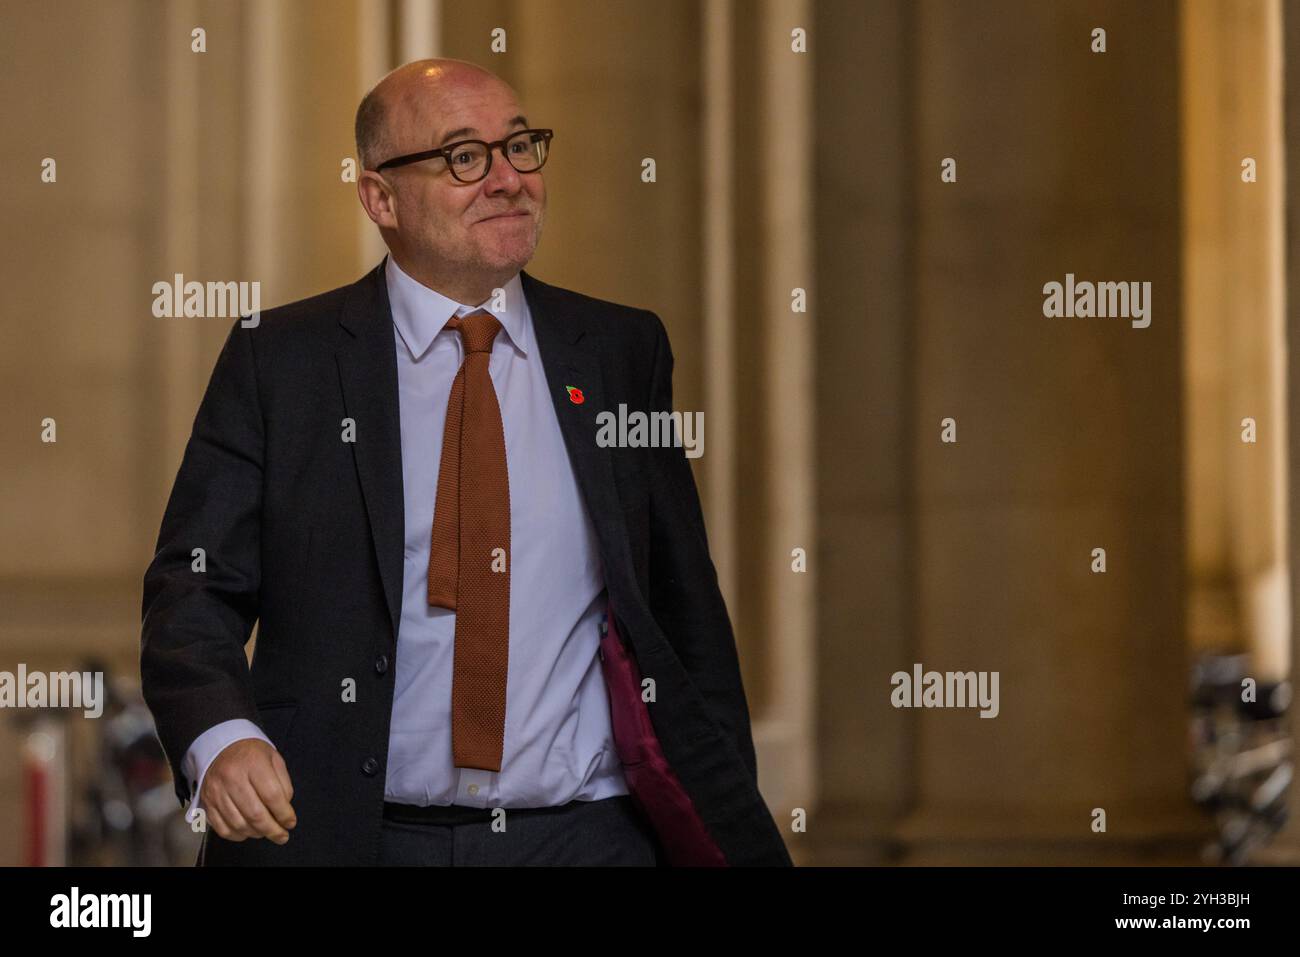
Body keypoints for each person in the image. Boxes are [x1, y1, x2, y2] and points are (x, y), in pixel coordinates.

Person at [140, 58, 791, 866]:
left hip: (587, 836)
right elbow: (192, 590)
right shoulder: (283, 363)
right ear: (380, 197)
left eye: (521, 147)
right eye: (462, 157)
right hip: (354, 837)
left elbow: (685, 608)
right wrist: (222, 736)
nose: (508, 179)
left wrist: (728, 820)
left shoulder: (620, 352)